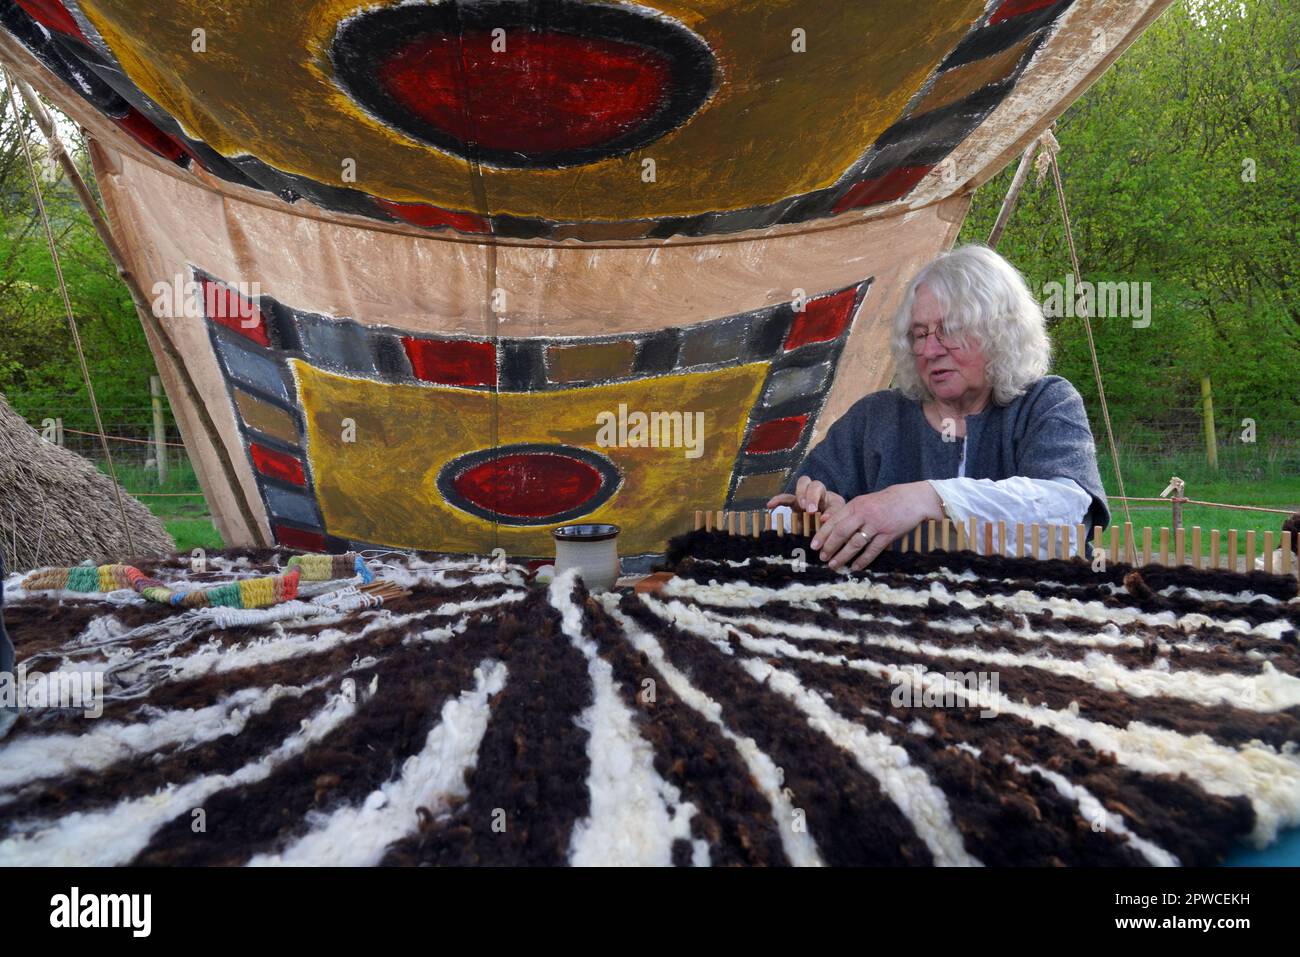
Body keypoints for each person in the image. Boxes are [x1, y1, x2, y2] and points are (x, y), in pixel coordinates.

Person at [768, 244, 1109, 570]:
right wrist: (814, 516)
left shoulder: (1047, 403)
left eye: (948, 331)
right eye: (920, 334)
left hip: (1032, 618)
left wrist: (927, 498)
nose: (930, 351)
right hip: (892, 621)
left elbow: (1066, 510)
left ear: (1000, 333)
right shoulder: (875, 418)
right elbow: (780, 518)